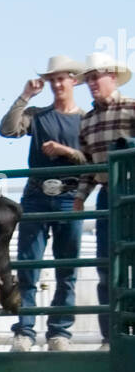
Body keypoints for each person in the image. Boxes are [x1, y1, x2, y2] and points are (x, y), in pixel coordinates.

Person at [0, 56, 87, 351]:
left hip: (68, 196)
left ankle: (59, 332)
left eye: (62, 78)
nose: (58, 84)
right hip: (37, 195)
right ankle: (24, 330)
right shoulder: (37, 114)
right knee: (28, 266)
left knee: (67, 269)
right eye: (53, 80)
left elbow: (92, 161)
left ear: (74, 80)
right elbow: (8, 129)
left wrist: (67, 152)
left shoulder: (86, 120)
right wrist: (25, 96)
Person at [73, 51, 135, 349]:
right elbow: (88, 165)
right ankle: (112, 335)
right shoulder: (87, 121)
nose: (92, 83)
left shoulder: (132, 108)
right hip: (108, 194)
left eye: (97, 77)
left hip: (131, 190)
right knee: (107, 265)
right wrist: (81, 196)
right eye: (88, 79)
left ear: (113, 77)